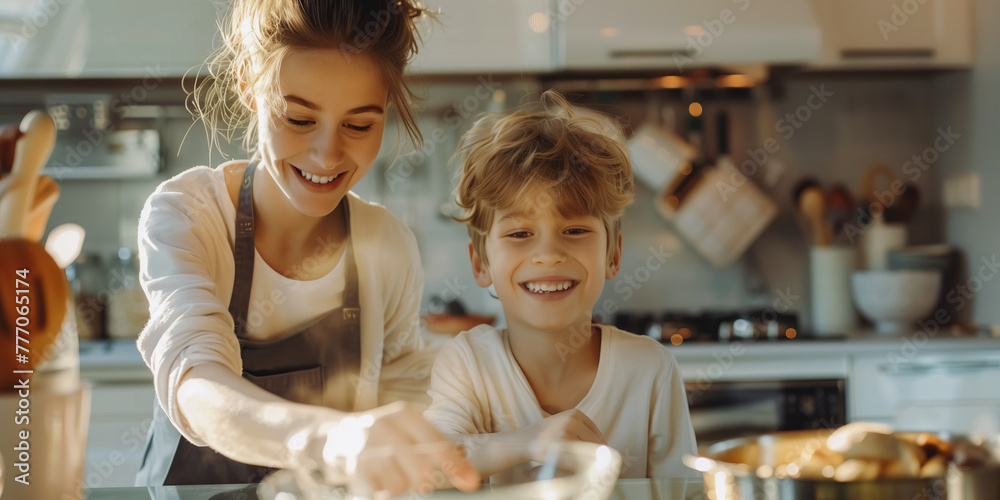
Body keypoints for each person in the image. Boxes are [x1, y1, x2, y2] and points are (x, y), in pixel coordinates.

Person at [133, 0, 480, 494]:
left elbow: (404, 408)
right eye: (298, 118)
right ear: (249, 88)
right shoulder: (190, 214)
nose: (327, 154)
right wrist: (329, 439)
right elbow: (196, 383)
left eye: (359, 125)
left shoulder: (389, 244)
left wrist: (524, 442)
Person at [423, 90, 698, 480]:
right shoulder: (468, 364)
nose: (548, 254)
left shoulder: (650, 370)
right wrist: (531, 440)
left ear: (612, 256)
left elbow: (683, 493)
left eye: (574, 230)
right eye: (519, 233)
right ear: (480, 263)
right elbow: (430, 466)